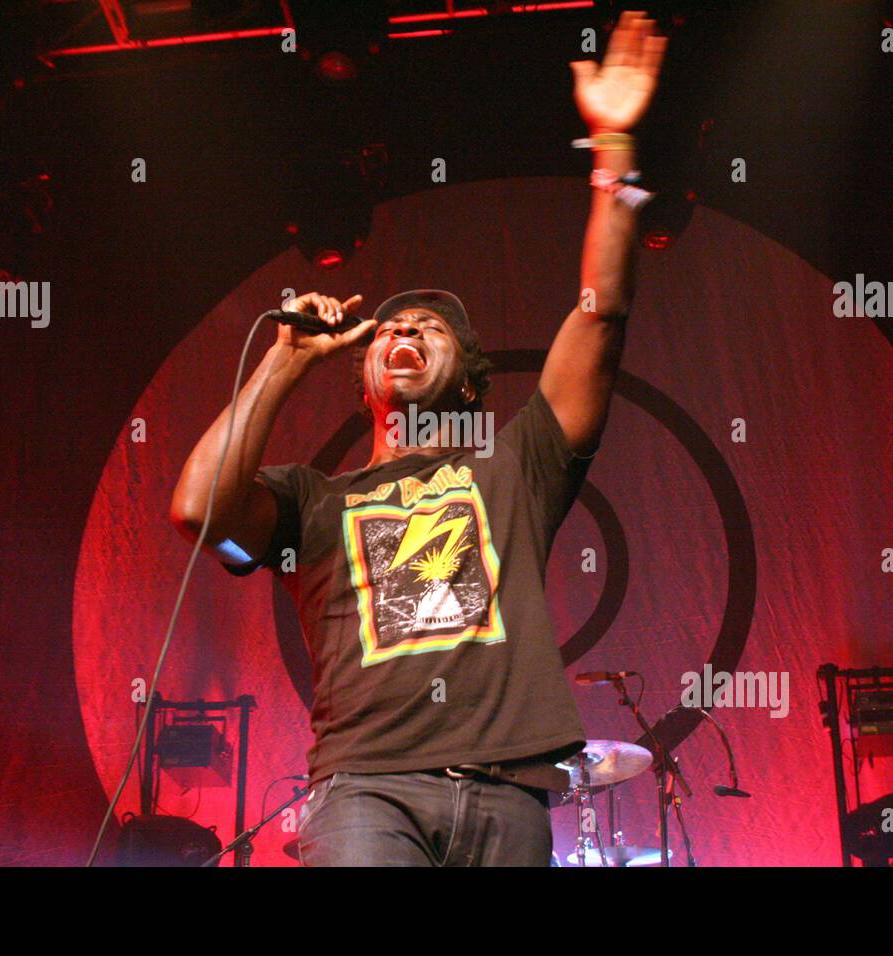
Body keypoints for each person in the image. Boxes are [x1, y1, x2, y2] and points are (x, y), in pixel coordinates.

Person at [171, 11, 666, 866]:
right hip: (366, 790)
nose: (405, 331)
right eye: (392, 327)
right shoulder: (311, 499)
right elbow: (197, 511)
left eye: (432, 329)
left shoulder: (517, 464)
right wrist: (287, 361)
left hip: (510, 794)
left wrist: (613, 147)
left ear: (471, 380)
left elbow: (603, 313)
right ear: (365, 377)